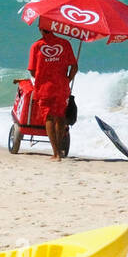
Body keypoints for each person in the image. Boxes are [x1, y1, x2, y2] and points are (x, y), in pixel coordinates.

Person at [28, 25, 77, 160]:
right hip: (61, 87)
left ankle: (55, 152)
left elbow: (32, 70)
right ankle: (59, 149)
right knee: (60, 116)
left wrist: (42, 76)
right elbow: (74, 67)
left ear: (40, 29)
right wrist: (67, 80)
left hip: (44, 88)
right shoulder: (65, 43)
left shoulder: (36, 46)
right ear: (53, 28)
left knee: (49, 117)